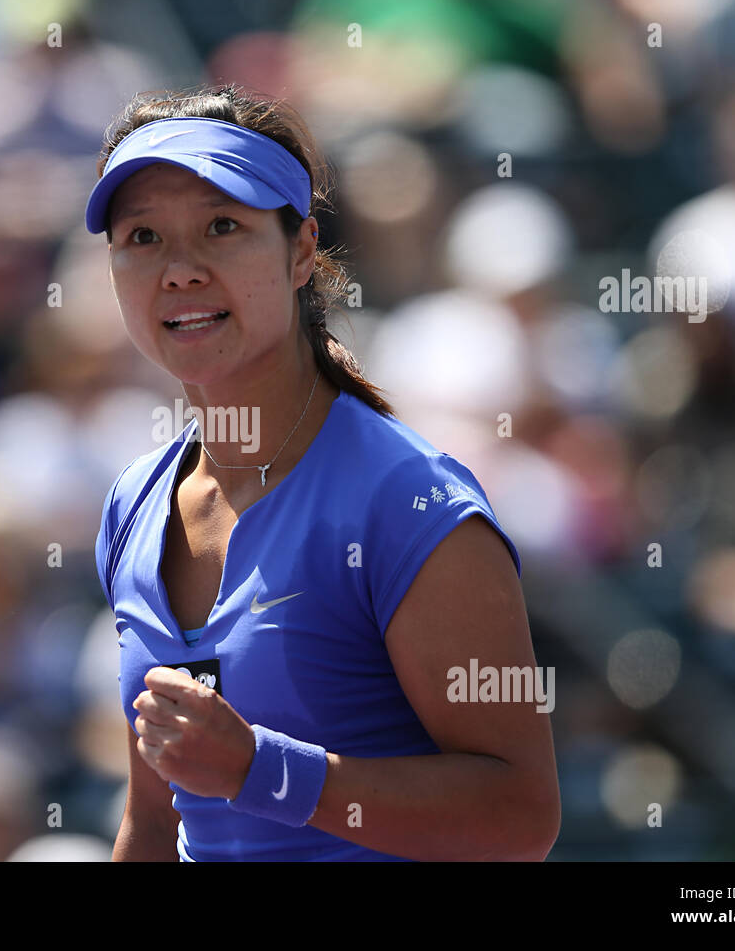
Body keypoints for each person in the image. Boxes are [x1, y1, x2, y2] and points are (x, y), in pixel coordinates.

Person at [89, 84, 560, 861]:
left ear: (302, 249)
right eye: (142, 237)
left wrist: (258, 771)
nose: (179, 270)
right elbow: (154, 820)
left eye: (222, 227)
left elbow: (520, 818)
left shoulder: (408, 502)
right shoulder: (134, 504)